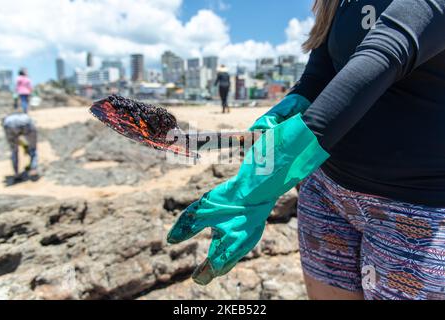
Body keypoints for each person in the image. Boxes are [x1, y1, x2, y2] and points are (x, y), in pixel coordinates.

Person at [166, 0, 445, 300]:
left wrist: (259, 184)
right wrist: (283, 112)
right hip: (326, 196)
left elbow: (384, 54)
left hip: (416, 206)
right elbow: (319, 74)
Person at [2, 113, 38, 181]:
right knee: (33, 148)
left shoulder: (7, 120)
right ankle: (33, 170)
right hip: (26, 123)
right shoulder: (27, 118)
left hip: (10, 125)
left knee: (14, 151)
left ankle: (16, 173)